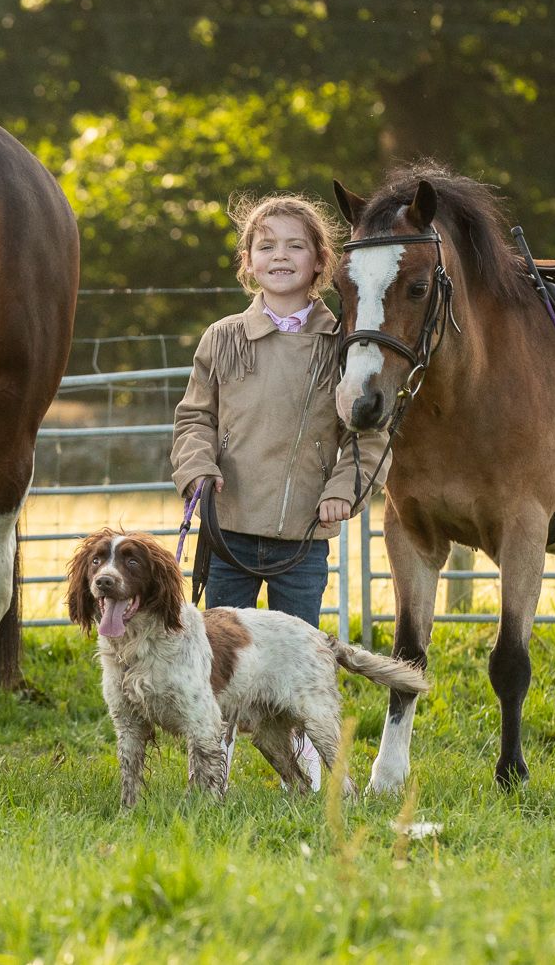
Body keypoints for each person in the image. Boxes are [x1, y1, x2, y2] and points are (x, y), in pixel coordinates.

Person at [170, 194, 388, 784]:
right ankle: (215, 761)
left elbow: (368, 437)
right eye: (266, 246)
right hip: (230, 531)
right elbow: (195, 419)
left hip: (302, 538)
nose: (280, 256)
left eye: (296, 245)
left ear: (321, 261)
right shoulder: (223, 338)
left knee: (296, 661)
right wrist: (197, 469)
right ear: (248, 260)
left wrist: (343, 490)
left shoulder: (342, 343)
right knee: (219, 658)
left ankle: (310, 764)